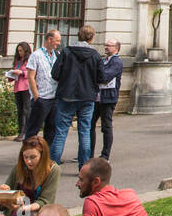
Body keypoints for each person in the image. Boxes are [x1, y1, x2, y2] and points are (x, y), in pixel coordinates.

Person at [49, 25, 102, 167]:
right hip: (87, 97)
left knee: (60, 132)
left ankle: (52, 169)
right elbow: (101, 77)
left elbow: (55, 74)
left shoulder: (66, 52)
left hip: (66, 96)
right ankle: (84, 168)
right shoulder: (95, 55)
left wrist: (66, 81)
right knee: (84, 132)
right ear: (91, 38)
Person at [0, 137, 59, 216]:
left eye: (32, 157)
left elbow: (46, 201)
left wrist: (24, 208)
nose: (28, 161)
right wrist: (4, 193)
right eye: (25, 157)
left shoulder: (52, 170)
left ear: (42, 156)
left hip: (36, 212)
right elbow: (3, 201)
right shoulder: (19, 167)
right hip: (16, 213)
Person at [23, 29, 61, 140]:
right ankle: (27, 153)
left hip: (54, 97)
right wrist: (36, 96)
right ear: (50, 39)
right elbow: (30, 76)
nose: (58, 43)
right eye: (57, 41)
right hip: (42, 98)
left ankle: (46, 155)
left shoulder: (57, 55)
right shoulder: (36, 55)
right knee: (33, 129)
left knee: (51, 130)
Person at [88, 38, 122, 160]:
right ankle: (88, 152)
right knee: (90, 125)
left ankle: (105, 155)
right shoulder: (103, 60)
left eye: (109, 45)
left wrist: (97, 75)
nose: (106, 47)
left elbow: (105, 76)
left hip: (108, 99)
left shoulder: (116, 62)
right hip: (97, 97)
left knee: (106, 126)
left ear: (116, 48)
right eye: (105, 45)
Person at [7, 42, 32, 140]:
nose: (20, 53)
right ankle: (20, 131)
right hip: (18, 87)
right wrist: (10, 75)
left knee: (27, 110)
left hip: (25, 87)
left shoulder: (30, 59)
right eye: (18, 51)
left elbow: (32, 72)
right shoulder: (18, 60)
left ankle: (26, 132)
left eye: (21, 51)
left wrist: (21, 72)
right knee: (20, 110)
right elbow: (15, 71)